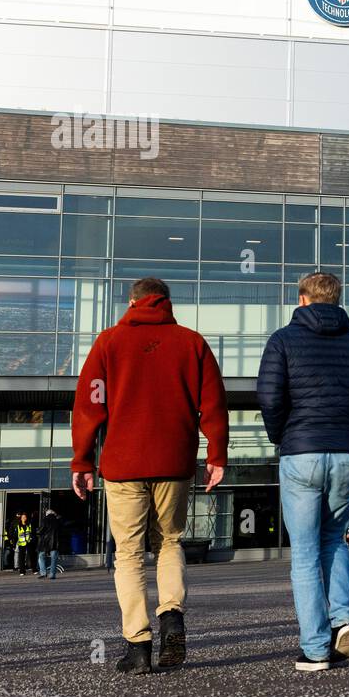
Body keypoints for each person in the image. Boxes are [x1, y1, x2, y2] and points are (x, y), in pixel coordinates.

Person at [72, 277, 228, 674]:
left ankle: (138, 645)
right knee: (170, 541)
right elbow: (213, 403)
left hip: (123, 464)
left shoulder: (108, 342)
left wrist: (82, 461)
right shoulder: (192, 343)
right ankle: (172, 613)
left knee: (128, 553)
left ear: (132, 302)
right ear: (167, 302)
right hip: (173, 460)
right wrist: (217, 454)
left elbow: (90, 405)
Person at [257, 271, 349, 672]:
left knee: (304, 554)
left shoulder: (282, 340)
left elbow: (268, 396)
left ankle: (315, 649)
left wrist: (284, 435)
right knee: (334, 540)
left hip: (301, 453)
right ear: (336, 299)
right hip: (345, 453)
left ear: (302, 299)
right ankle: (343, 620)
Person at [36, 508, 61, 580]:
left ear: (47, 514)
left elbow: (40, 531)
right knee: (54, 559)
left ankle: (43, 573)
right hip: (55, 542)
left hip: (45, 542)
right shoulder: (58, 521)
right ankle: (52, 575)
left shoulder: (45, 520)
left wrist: (37, 531)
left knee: (41, 556)